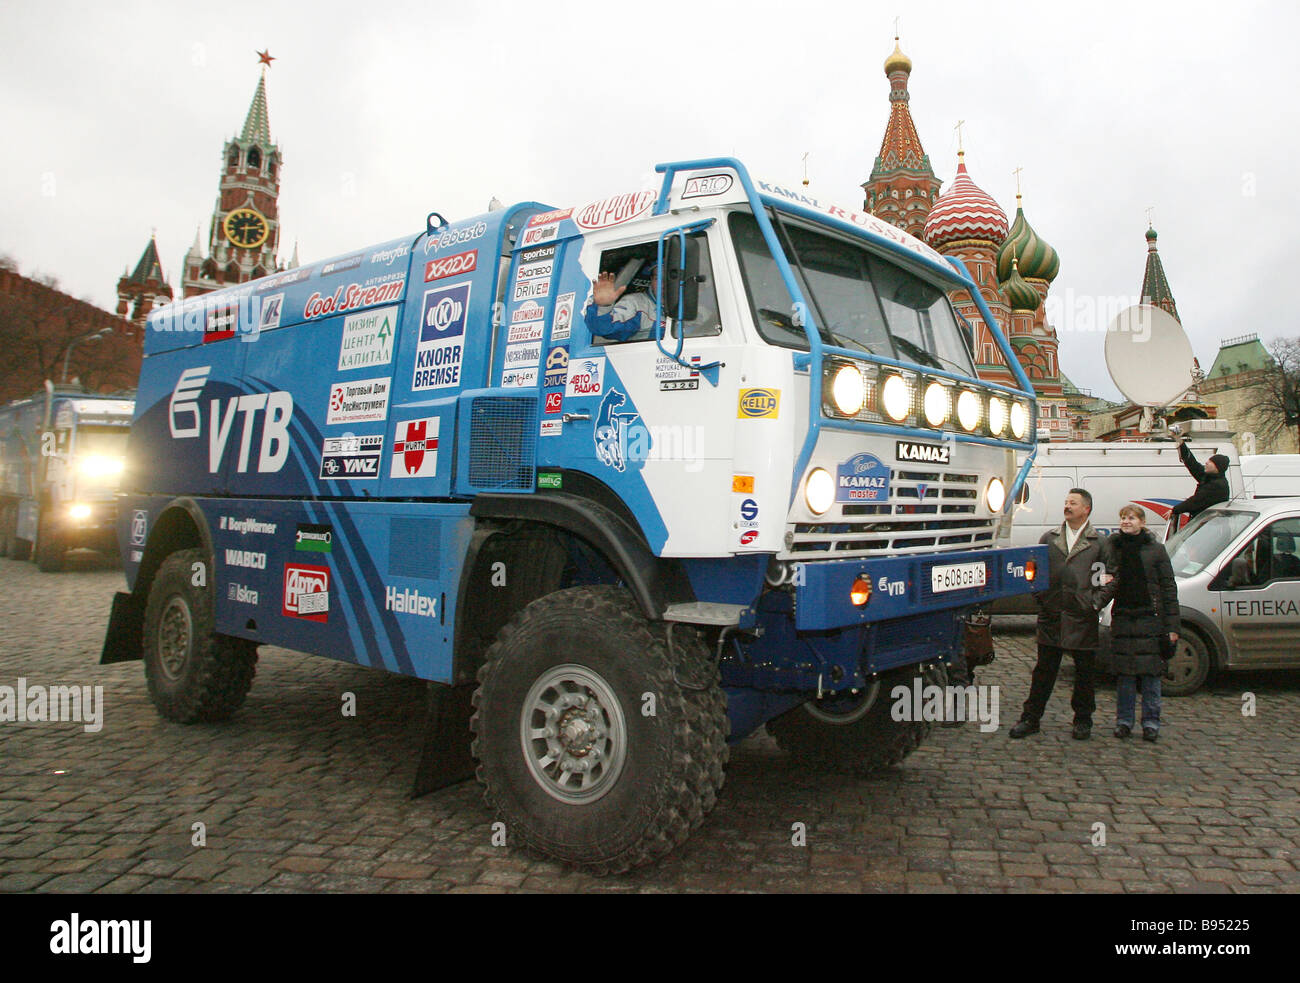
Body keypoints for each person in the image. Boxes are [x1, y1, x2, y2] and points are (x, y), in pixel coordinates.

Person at [1009, 488, 1111, 741]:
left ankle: (1083, 720)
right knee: (1044, 671)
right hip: (1052, 616)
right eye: (1066, 502)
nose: (1067, 506)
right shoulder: (1050, 538)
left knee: (1085, 673)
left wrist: (1094, 604)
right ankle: (1031, 718)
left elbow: (1108, 579)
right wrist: (1040, 600)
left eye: (1073, 503)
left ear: (1086, 508)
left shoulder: (1099, 544)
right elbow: (1033, 571)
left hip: (1082, 617)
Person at [1099, 504, 1179, 742]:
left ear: (1142, 522)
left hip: (1150, 619)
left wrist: (1172, 627)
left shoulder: (1156, 550)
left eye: (1132, 518)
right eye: (1123, 517)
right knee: (1125, 676)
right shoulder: (1113, 548)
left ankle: (1151, 723)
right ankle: (1124, 721)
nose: (1126, 521)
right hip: (1123, 617)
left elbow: (1168, 588)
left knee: (1151, 675)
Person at [1168, 430, 1230, 529]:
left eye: (1210, 462)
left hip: (1210, 528)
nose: (1206, 463)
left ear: (1217, 467)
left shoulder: (1218, 485)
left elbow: (1195, 501)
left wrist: (1175, 509)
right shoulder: (1208, 477)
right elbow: (1192, 464)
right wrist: (1180, 442)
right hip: (1203, 524)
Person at [585, 265, 662, 342]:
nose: (663, 284)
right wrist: (604, 307)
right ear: (651, 280)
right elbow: (603, 329)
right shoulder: (636, 304)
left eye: (671, 278)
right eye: (658, 278)